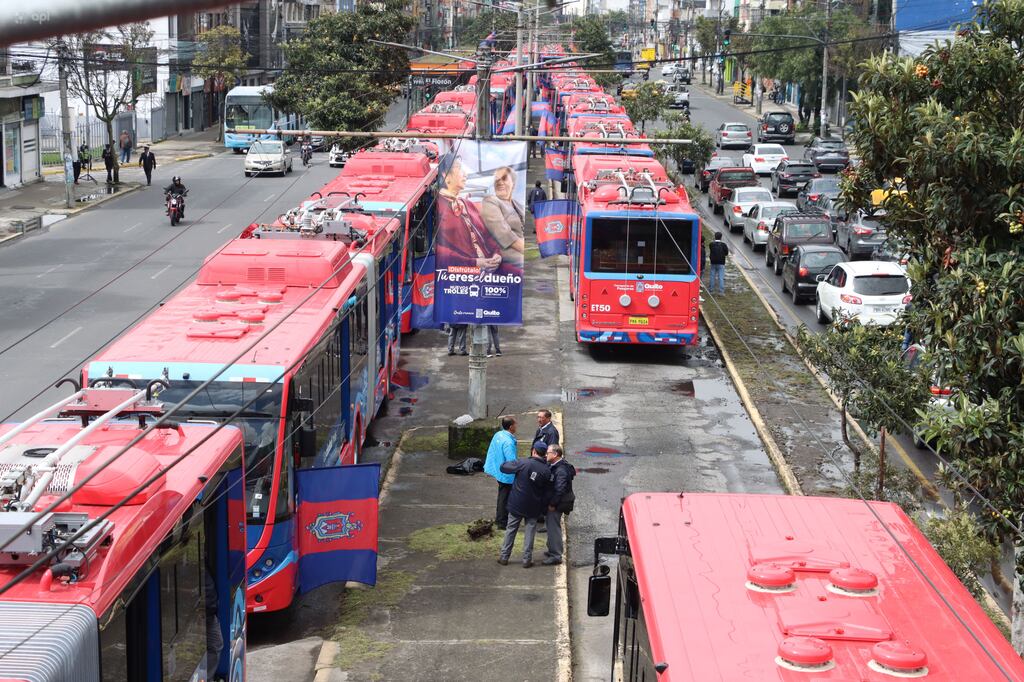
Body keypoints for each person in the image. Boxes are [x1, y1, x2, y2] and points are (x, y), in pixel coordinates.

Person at [435, 154, 503, 271]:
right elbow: (440, 250)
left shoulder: (467, 204)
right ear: (446, 176)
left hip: (486, 273)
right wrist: (474, 262)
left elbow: (486, 235)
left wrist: (497, 254)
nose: (465, 174)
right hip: (456, 276)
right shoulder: (437, 206)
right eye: (459, 168)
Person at [497, 441, 553, 568]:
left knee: (511, 530)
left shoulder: (523, 463)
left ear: (533, 451)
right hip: (533, 506)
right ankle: (527, 559)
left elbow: (504, 467)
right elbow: (547, 492)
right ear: (544, 454)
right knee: (530, 531)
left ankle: (504, 556)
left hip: (516, 503)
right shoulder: (546, 470)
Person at [480, 165, 525, 269]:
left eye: (504, 178)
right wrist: (524, 249)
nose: (499, 182)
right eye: (496, 180)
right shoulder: (490, 201)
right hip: (508, 257)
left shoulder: (518, 205)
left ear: (513, 184)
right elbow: (503, 232)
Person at [483, 416, 518, 529]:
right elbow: (511, 461)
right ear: (511, 426)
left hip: (498, 470)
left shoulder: (498, 435)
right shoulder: (508, 442)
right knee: (505, 497)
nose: (516, 426)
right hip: (506, 475)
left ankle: (500, 519)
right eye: (515, 424)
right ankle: (502, 521)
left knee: (502, 496)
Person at [543, 444, 575, 565]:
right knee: (552, 526)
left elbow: (559, 489)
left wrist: (552, 504)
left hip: (558, 503)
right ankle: (552, 548)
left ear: (555, 454)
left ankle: (556, 555)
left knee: (553, 527)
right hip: (559, 501)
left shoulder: (560, 470)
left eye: (548, 452)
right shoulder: (559, 465)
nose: (546, 454)